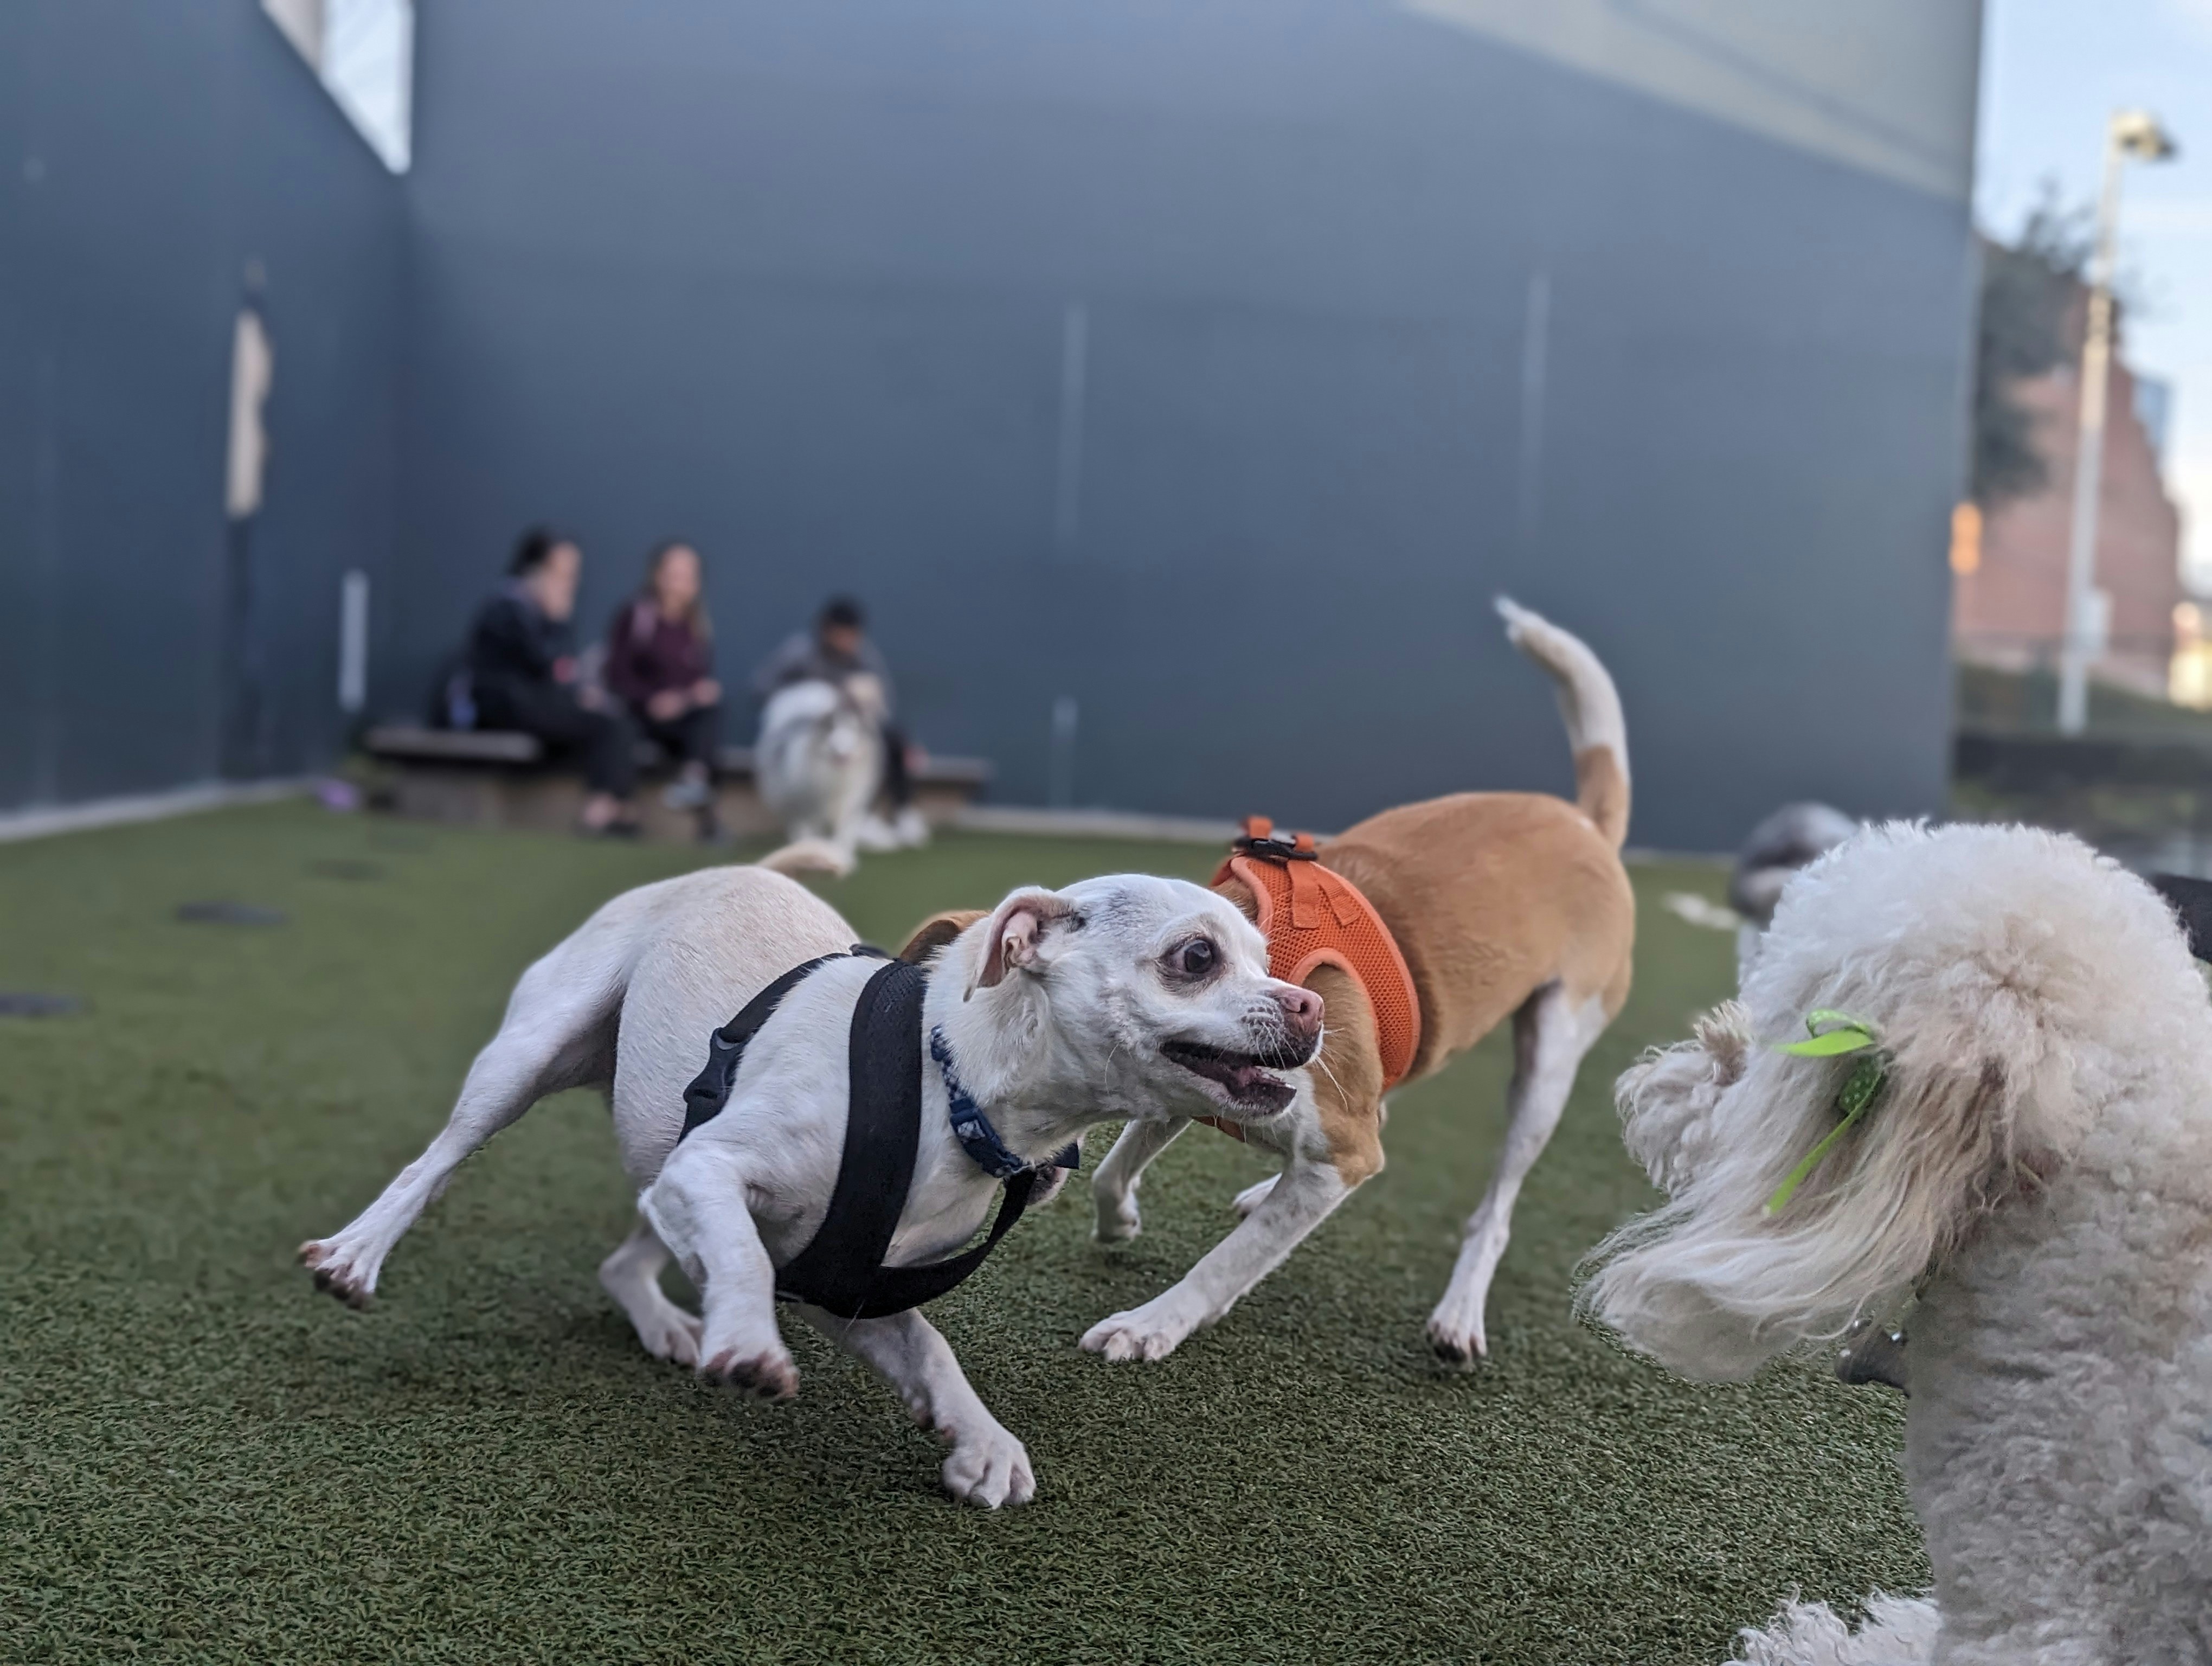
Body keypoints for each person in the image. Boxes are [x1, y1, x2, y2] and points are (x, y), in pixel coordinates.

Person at [466, 527, 638, 835]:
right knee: (610, 725)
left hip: (535, 706)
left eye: (573, 575)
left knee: (615, 719)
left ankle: (613, 807)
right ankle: (600, 814)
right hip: (506, 707)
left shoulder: (544, 613)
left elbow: (561, 671)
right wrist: (558, 623)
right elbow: (545, 667)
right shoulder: (508, 607)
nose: (569, 583)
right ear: (534, 570)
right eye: (560, 573)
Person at [751, 595, 923, 840]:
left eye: (852, 635)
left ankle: (897, 813)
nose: (847, 642)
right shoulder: (800, 652)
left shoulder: (865, 657)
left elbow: (883, 704)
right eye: (841, 634)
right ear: (826, 631)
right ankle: (811, 818)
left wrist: (861, 701)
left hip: (854, 728)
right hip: (810, 733)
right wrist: (808, 697)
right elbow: (761, 686)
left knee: (893, 738)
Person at [605, 540, 722, 825]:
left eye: (688, 575)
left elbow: (696, 677)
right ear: (657, 575)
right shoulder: (636, 616)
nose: (680, 583)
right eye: (674, 574)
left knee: (713, 713)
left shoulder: (696, 626)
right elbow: (617, 674)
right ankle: (617, 812)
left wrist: (695, 695)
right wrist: (651, 701)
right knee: (620, 731)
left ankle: (695, 789)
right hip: (638, 714)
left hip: (679, 719)